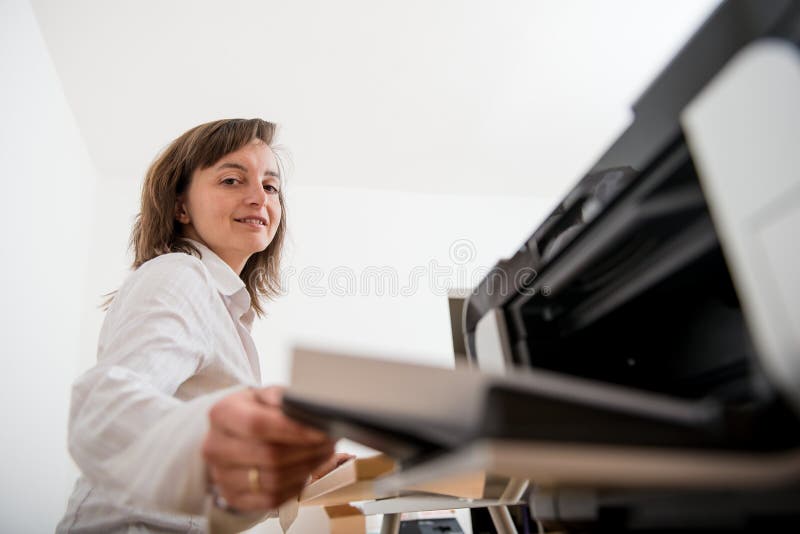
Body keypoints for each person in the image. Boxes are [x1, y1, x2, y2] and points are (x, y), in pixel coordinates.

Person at [57, 118, 351, 533]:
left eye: (270, 186)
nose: (257, 197)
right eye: (232, 180)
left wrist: (290, 477)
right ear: (180, 207)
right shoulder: (180, 275)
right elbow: (103, 411)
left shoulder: (223, 309)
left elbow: (203, 484)